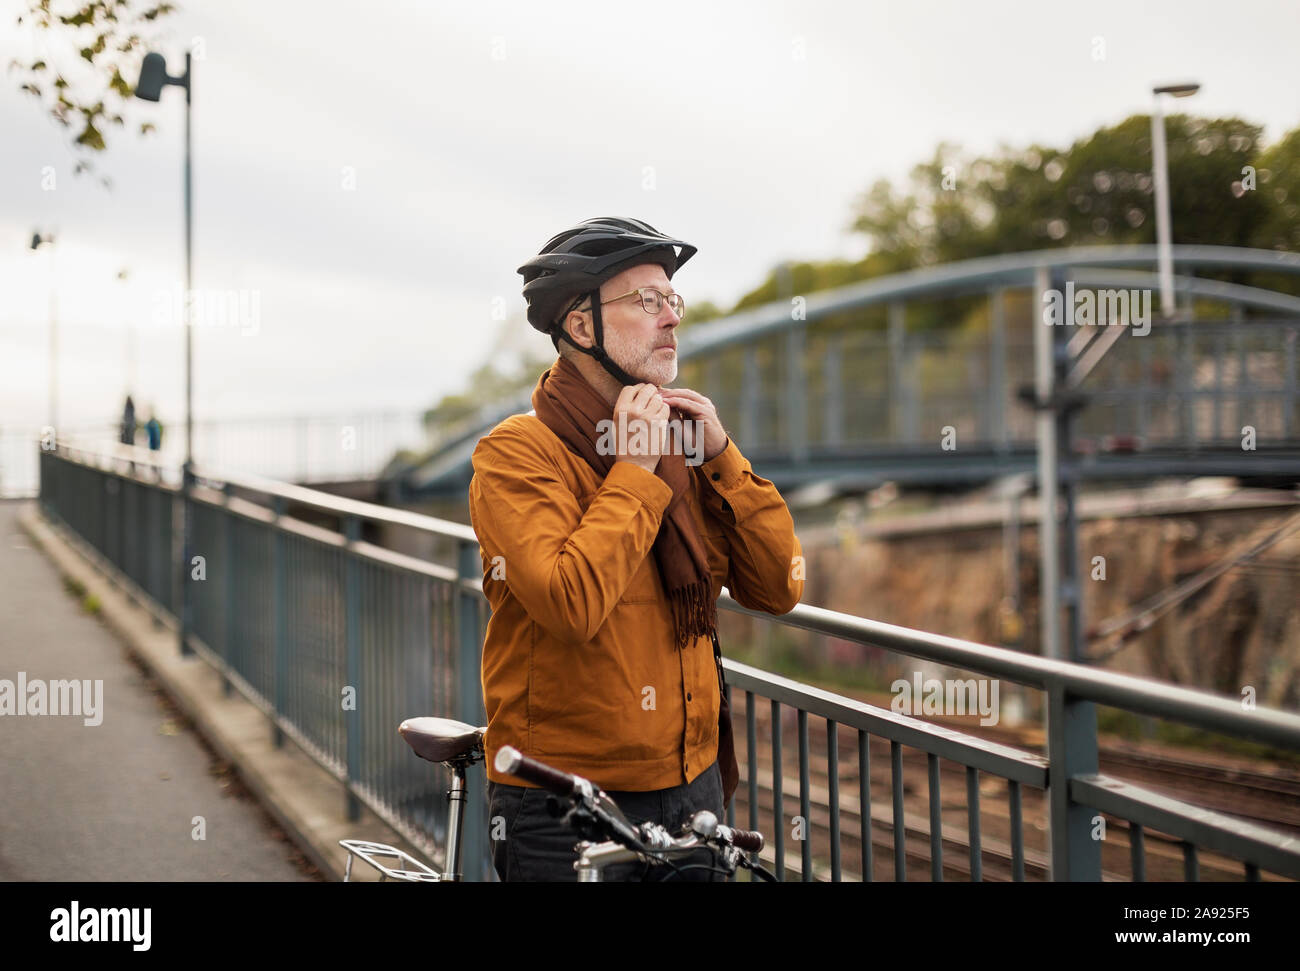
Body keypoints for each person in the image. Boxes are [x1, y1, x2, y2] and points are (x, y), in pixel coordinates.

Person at [469, 217, 804, 881]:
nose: (671, 319)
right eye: (646, 301)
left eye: (671, 301)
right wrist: (634, 469)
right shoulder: (515, 453)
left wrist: (720, 455)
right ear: (583, 325)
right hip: (565, 802)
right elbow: (570, 602)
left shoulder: (685, 450)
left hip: (696, 787)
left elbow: (778, 585)